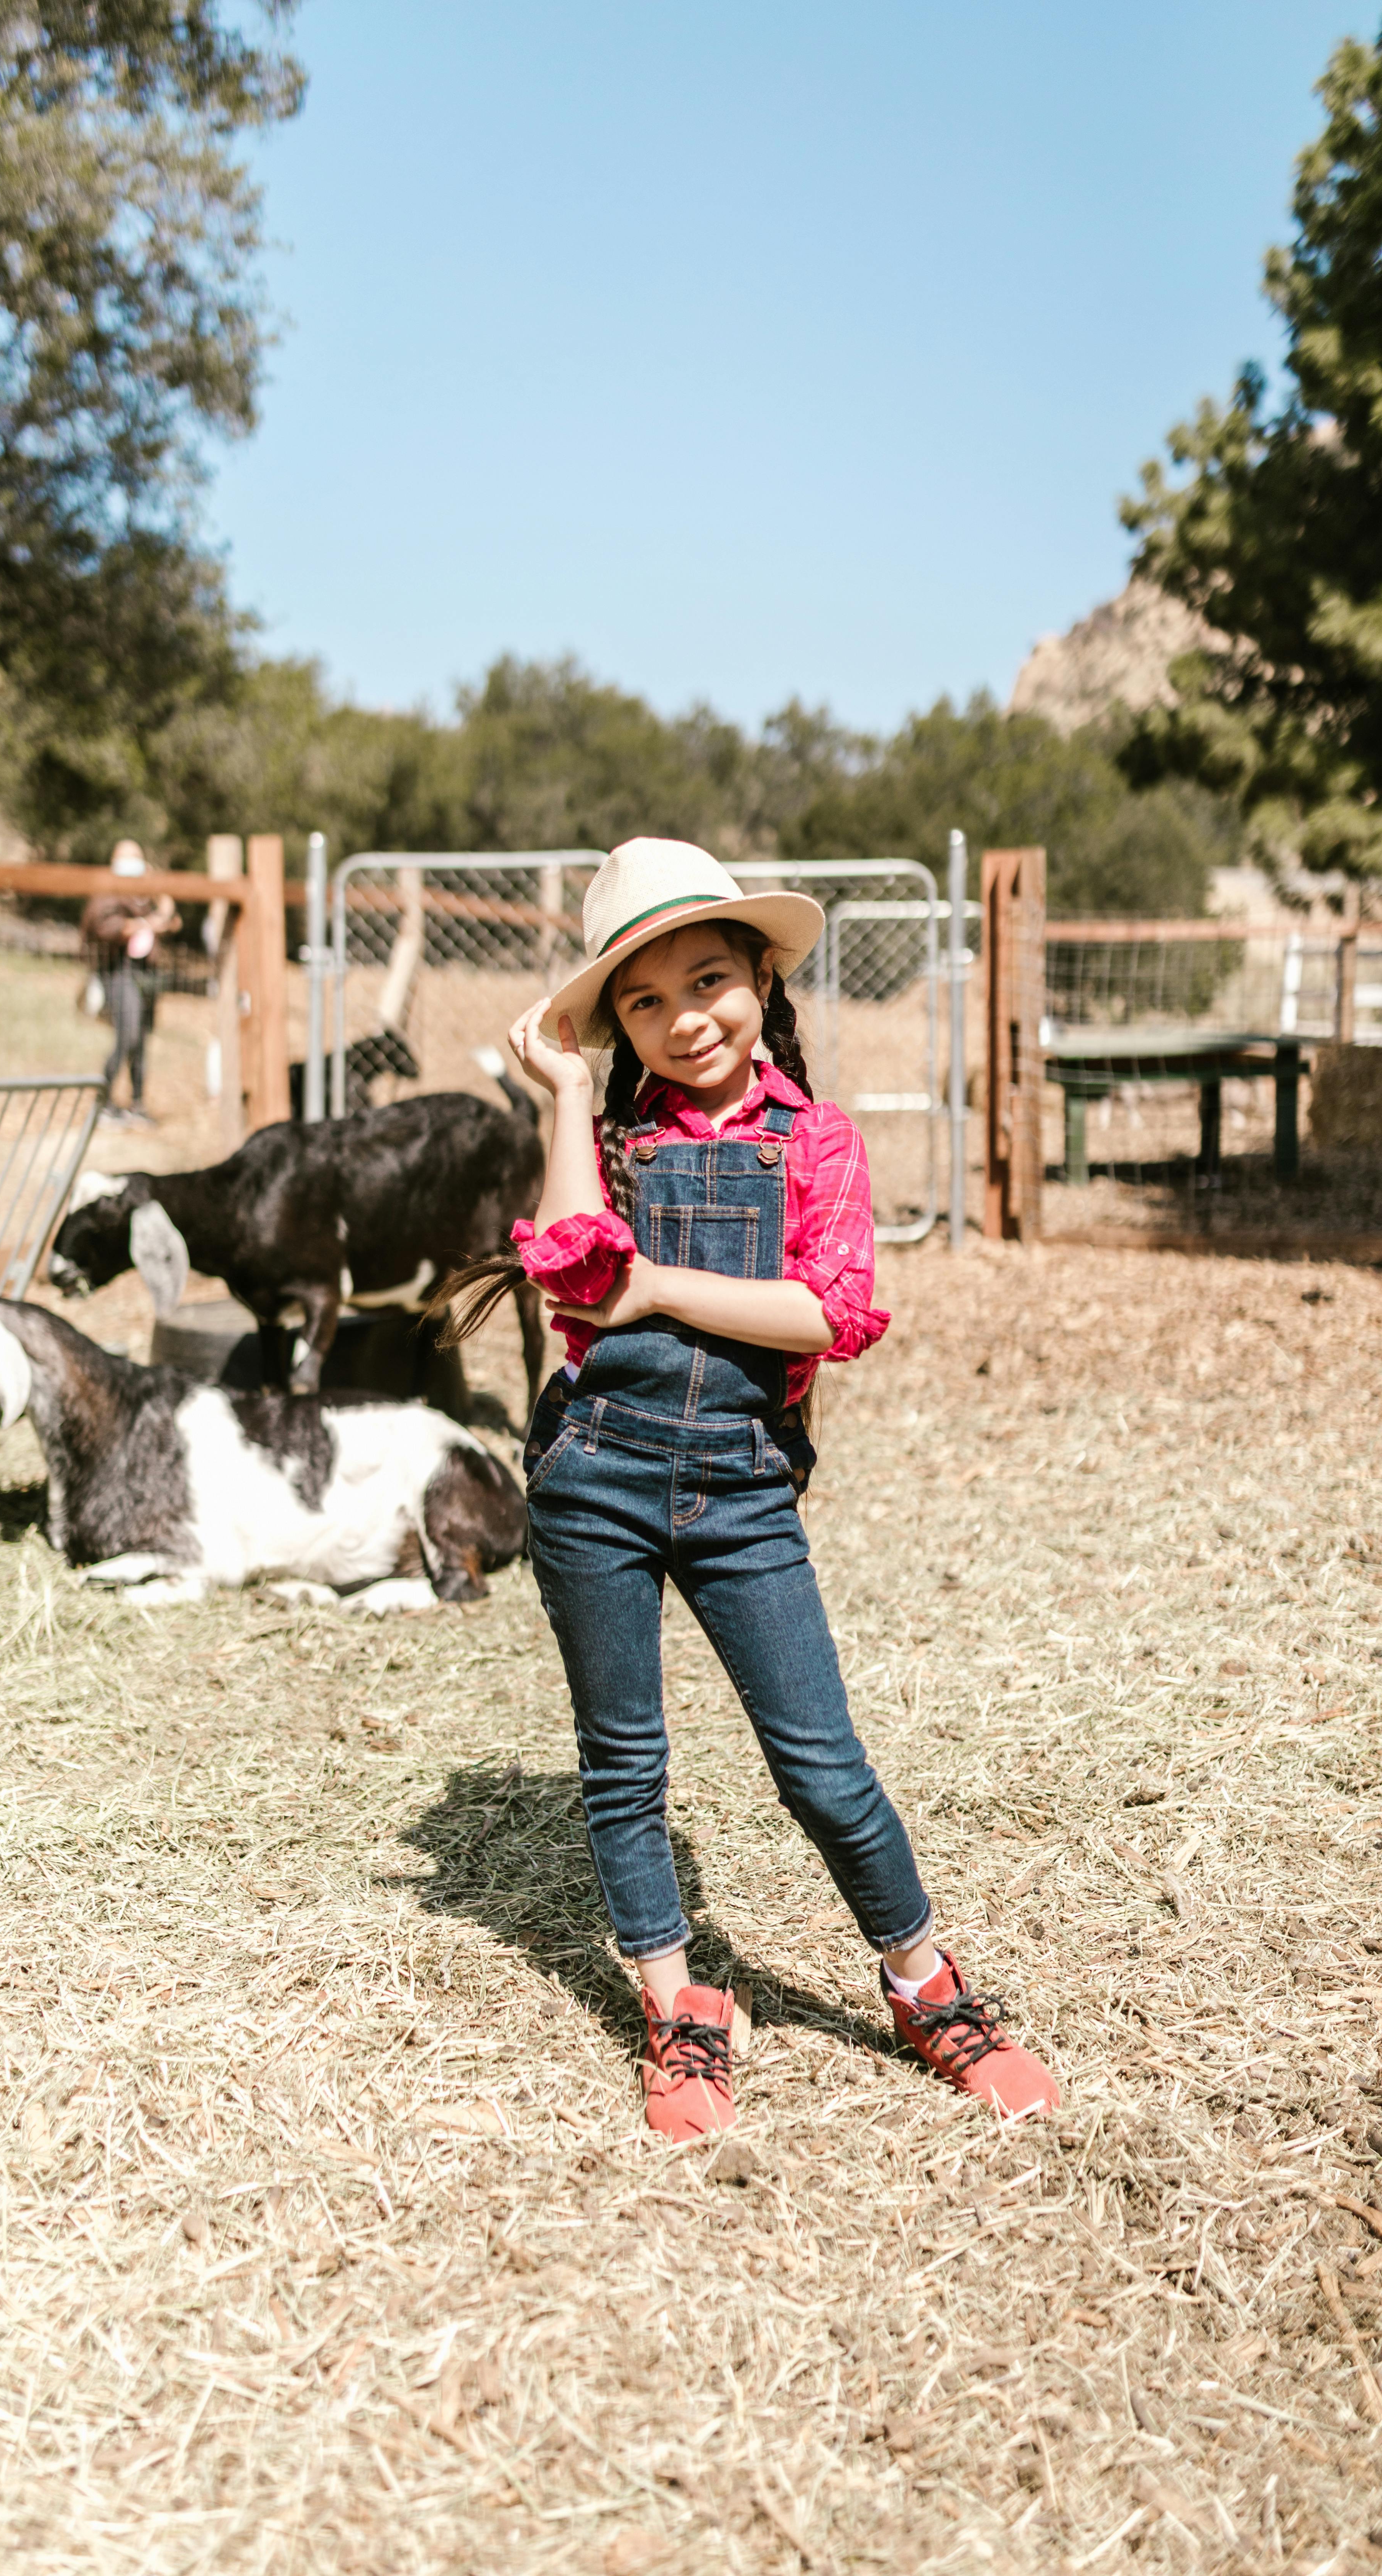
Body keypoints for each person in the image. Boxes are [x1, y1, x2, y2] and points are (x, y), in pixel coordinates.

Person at [437, 839, 1058, 2140]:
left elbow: (827, 1312)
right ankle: (679, 2007)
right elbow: (567, 1270)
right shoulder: (610, 1134)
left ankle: (922, 1984)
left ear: (764, 979)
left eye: (708, 981)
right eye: (643, 1003)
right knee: (624, 1764)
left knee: (821, 1763)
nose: (683, 1021)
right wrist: (559, 1091)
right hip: (591, 1481)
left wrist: (658, 1288)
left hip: (742, 1492)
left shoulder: (815, 1141)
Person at [81, 841, 180, 1124]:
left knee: (141, 1042)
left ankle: (137, 1104)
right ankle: (104, 1102)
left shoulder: (144, 898)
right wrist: (146, 924)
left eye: (138, 858)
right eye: (128, 859)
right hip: (117, 972)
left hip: (144, 975)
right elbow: (106, 929)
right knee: (129, 1036)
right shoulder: (106, 895)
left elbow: (171, 918)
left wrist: (156, 886)